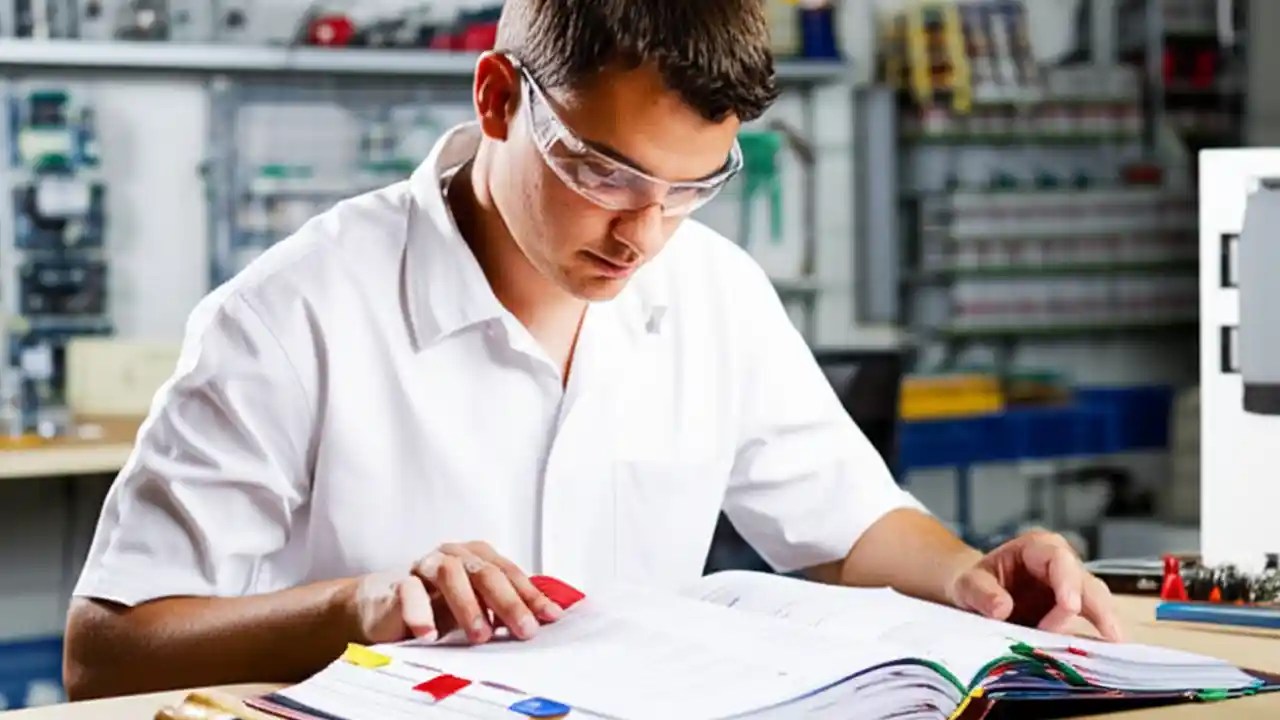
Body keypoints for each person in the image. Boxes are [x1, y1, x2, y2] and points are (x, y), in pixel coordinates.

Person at [63, 0, 1122, 700]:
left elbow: (842, 527)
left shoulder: (709, 291)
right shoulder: (292, 314)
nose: (641, 233)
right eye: (603, 172)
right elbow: (103, 655)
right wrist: (357, 607)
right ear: (496, 98)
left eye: (689, 189)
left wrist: (972, 579)